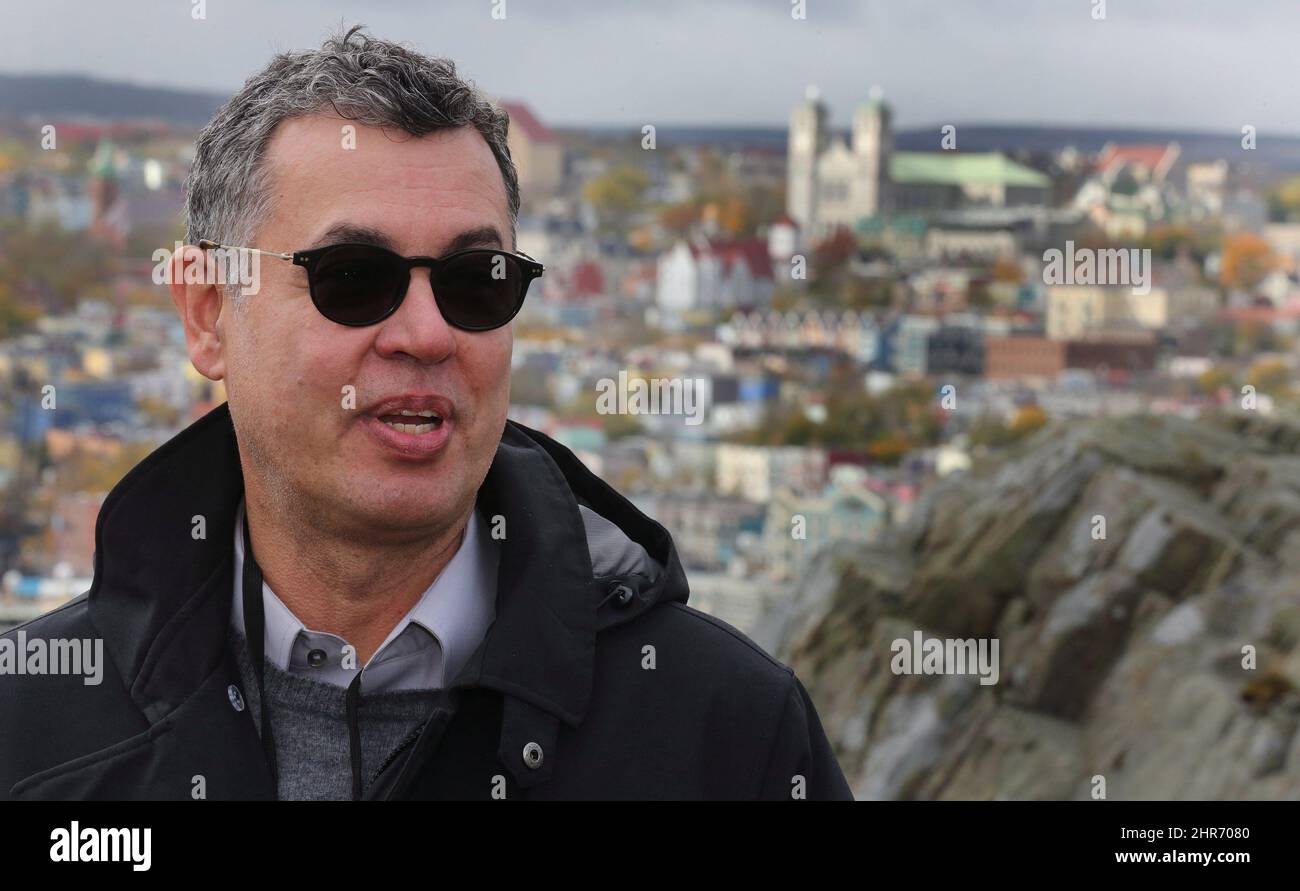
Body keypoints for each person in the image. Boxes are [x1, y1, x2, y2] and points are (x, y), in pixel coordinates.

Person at [0, 26, 852, 801]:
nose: (426, 333)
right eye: (352, 277)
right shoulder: (31, 726)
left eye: (475, 281)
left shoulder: (726, 736)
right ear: (208, 312)